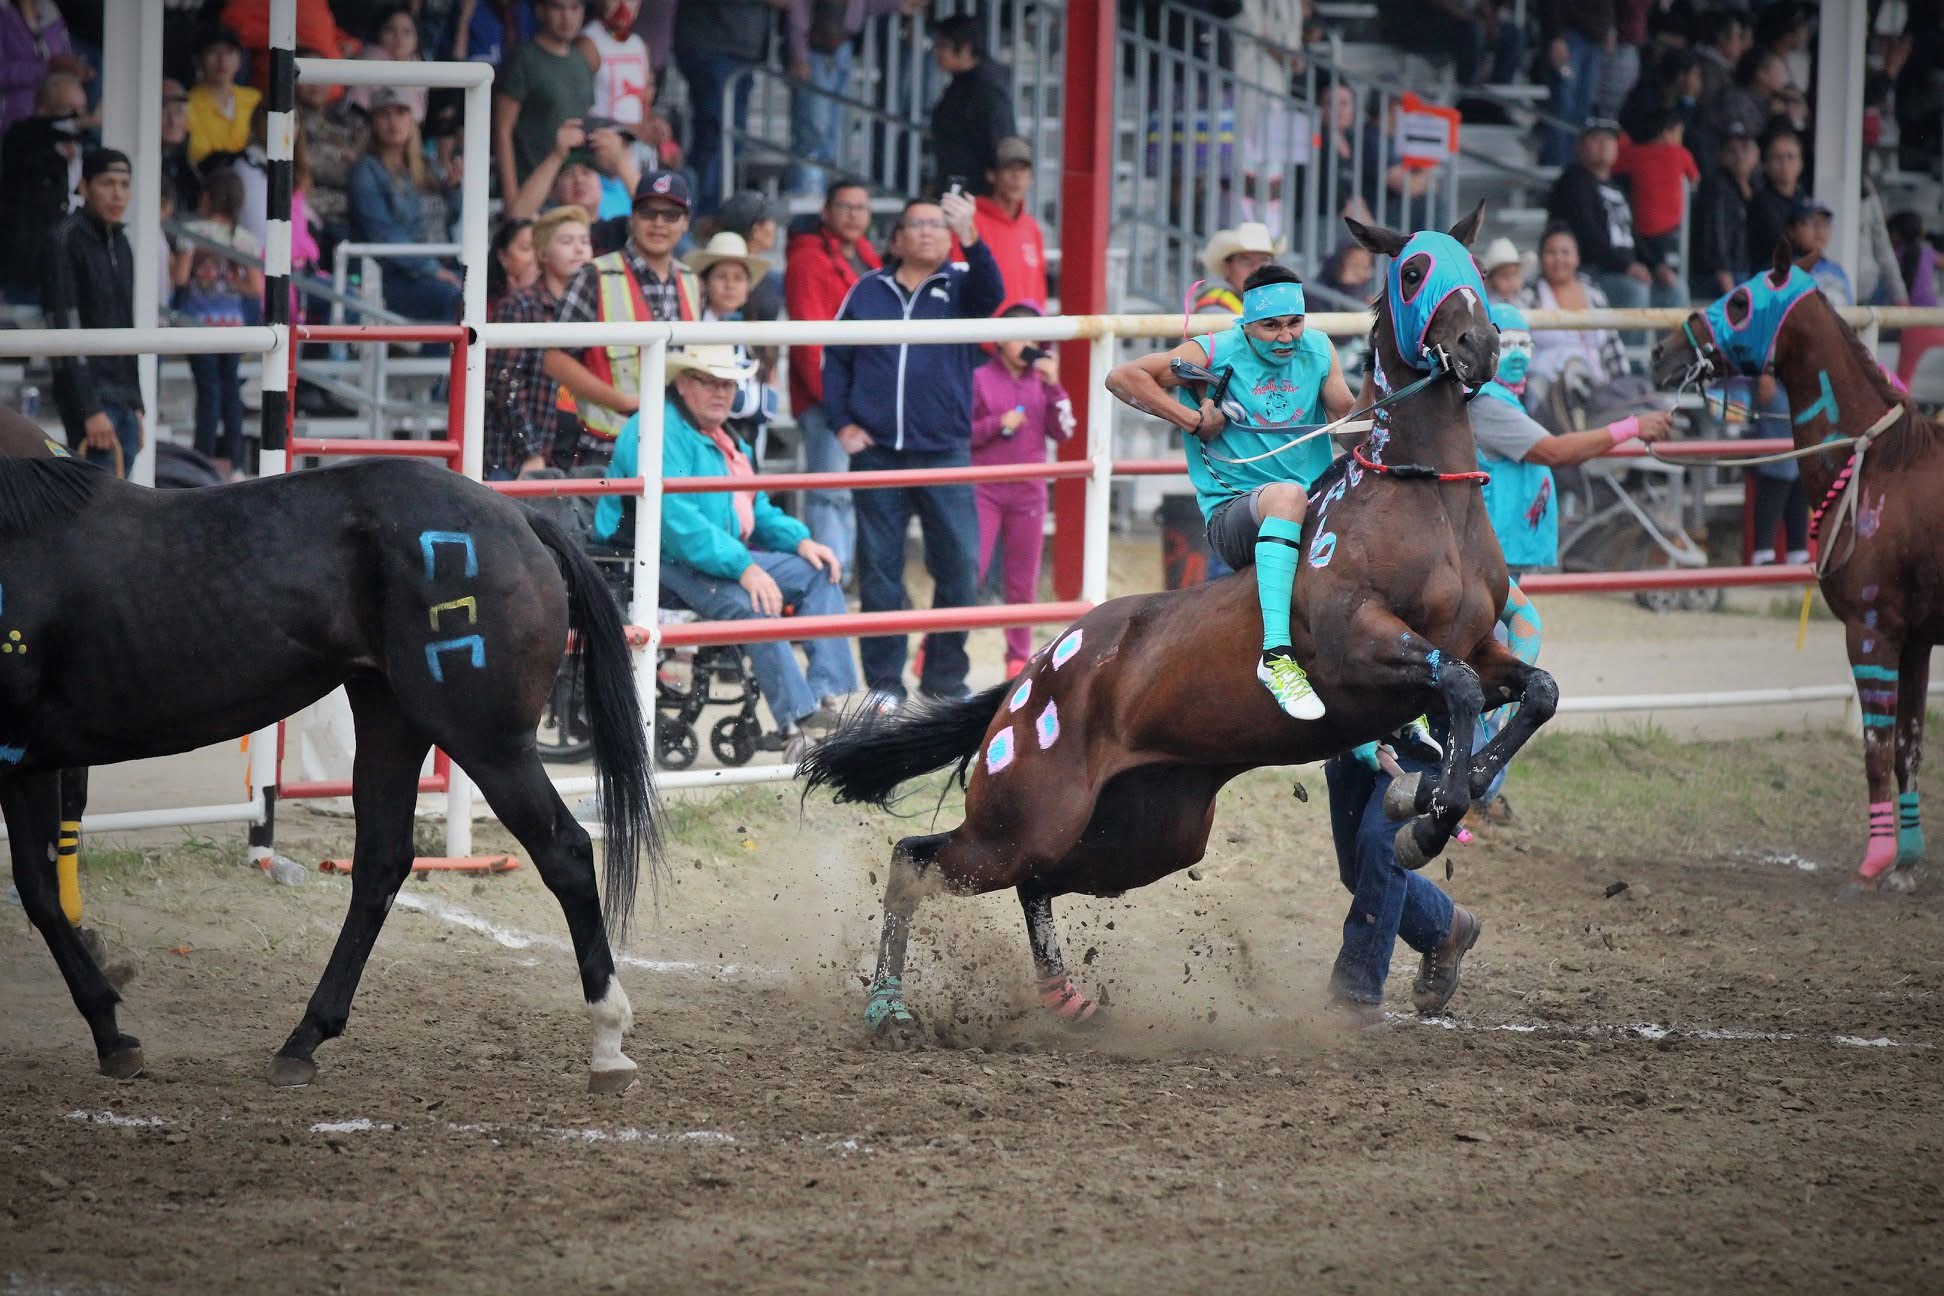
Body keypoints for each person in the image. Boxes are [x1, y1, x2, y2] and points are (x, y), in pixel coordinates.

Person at [1105, 264, 1354, 719]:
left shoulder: (1319, 349)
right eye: (1271, 326)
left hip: (1315, 506)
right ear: (1247, 323)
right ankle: (1276, 657)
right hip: (1236, 515)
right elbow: (1122, 378)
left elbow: (1350, 427)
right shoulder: (1215, 350)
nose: (1286, 337)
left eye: (1294, 323)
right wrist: (1192, 420)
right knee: (1287, 496)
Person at [592, 344, 857, 751]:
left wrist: (801, 540)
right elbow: (676, 524)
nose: (722, 393)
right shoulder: (657, 429)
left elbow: (754, 508)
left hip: (714, 555)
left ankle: (829, 699)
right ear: (683, 383)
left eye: (728, 384)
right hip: (656, 559)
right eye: (709, 382)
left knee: (819, 572)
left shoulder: (721, 435)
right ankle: (799, 720)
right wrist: (744, 568)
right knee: (752, 602)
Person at [822, 192, 1005, 707]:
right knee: (880, 572)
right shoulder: (866, 291)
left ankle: (945, 679)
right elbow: (835, 358)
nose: (927, 231)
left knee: (961, 569)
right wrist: (841, 423)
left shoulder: (962, 286)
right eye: (916, 224)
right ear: (896, 238)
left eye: (936, 224)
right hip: (876, 452)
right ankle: (884, 686)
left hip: (945, 450)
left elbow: (994, 293)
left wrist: (971, 232)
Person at [1472, 302, 1672, 574]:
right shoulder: (1487, 403)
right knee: (1521, 616)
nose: (1518, 355)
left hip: (1504, 549)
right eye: (1506, 345)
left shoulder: (1504, 399)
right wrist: (1632, 427)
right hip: (1492, 554)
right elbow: (1555, 451)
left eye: (1524, 344)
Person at [547, 168, 701, 469]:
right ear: (632, 218)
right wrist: (623, 403)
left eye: (670, 215)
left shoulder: (692, 280)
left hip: (675, 445)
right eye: (648, 212)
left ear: (685, 223)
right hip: (605, 449)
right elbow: (554, 359)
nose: (658, 223)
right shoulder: (594, 275)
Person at [1323, 738, 1480, 1026]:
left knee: (1379, 843)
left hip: (1420, 734)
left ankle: (1359, 993)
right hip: (1355, 730)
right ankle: (1446, 926)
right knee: (1359, 871)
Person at [784, 176, 881, 574]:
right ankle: (830, 575)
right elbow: (811, 342)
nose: (854, 214)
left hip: (859, 397)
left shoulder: (865, 254)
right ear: (826, 212)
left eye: (860, 207)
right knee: (830, 492)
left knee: (848, 491)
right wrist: (836, 402)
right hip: (829, 398)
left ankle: (842, 573)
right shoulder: (808, 258)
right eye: (845, 206)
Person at [971, 301, 1073, 676]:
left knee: (1022, 578)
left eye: (1033, 336)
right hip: (983, 487)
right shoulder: (979, 377)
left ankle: (1017, 658)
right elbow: (959, 435)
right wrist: (997, 424)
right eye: (1018, 335)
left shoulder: (1042, 382)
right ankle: (944, 646)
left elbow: (1063, 430)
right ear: (999, 341)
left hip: (1029, 489)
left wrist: (1055, 386)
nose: (1027, 344)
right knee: (970, 570)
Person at [44, 148, 141, 476]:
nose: (118, 194)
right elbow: (64, 328)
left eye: (125, 184)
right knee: (96, 514)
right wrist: (89, 408)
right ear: (84, 187)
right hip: (91, 402)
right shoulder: (65, 239)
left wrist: (137, 403)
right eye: (108, 183)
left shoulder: (123, 244)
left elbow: (128, 326)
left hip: (123, 400)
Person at [486, 205, 592, 479]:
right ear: (542, 254)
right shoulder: (519, 306)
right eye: (567, 242)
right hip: (515, 459)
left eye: (584, 241)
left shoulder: (597, 310)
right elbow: (504, 384)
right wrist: (530, 453)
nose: (579, 249)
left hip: (572, 455)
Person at [171, 168, 262, 479]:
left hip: (198, 324)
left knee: (207, 391)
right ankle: (235, 462)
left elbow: (180, 278)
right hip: (232, 324)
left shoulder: (192, 232)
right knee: (230, 392)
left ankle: (202, 459)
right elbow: (255, 288)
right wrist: (229, 282)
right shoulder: (245, 239)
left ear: (207, 197)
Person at [347, 88, 463, 323]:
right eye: (384, 114)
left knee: (486, 291)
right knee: (454, 297)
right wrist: (433, 269)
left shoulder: (428, 165)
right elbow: (384, 235)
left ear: (413, 118)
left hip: (440, 267)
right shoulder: (366, 171)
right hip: (393, 277)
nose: (393, 122)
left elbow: (451, 218)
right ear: (373, 122)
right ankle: (443, 361)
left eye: (401, 112)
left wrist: (454, 188)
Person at [785, 0, 919, 197]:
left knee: (831, 129)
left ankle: (821, 188)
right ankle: (807, 189)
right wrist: (799, 55)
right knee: (814, 127)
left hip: (842, 45)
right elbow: (797, 16)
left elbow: (866, 6)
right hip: (815, 48)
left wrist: (898, 4)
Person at [672, 0, 769, 216]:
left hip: (736, 48)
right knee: (716, 134)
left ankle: (702, 209)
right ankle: (703, 212)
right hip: (712, 45)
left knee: (726, 137)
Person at [1545, 118, 1651, 310]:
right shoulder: (1573, 181)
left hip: (1625, 269)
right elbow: (1588, 235)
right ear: (1580, 146)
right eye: (1597, 139)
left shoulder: (1618, 186)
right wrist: (1625, 267)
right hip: (1590, 271)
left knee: (1673, 289)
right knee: (1633, 291)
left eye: (1610, 140)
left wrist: (1657, 265)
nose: (1604, 145)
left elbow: (1632, 235)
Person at [492, 0, 593, 202]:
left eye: (574, 8)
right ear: (540, 11)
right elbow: (502, 130)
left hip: (573, 194)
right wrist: (512, 200)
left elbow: (585, 122)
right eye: (558, 7)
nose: (567, 17)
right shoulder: (523, 58)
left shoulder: (581, 61)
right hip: (531, 192)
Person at [0, 69, 85, 303]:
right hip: (28, 273)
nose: (78, 118)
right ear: (43, 111)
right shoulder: (23, 140)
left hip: (70, 274)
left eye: (82, 111)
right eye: (69, 110)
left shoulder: (85, 148)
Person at [688, 231, 777, 432]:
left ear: (747, 288)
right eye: (721, 276)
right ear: (705, 283)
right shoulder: (692, 333)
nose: (730, 285)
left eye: (738, 278)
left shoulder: (759, 338)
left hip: (749, 453)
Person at [1612, 109, 1698, 308]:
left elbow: (1616, 164)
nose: (1679, 139)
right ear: (1666, 133)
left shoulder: (1636, 155)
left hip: (1640, 231)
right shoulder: (1680, 154)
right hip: (1669, 232)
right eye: (1678, 134)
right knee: (1670, 281)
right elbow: (1694, 178)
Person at [927, 12, 1016, 196]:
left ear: (966, 49)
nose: (937, 52)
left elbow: (998, 143)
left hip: (974, 188)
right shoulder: (963, 83)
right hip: (958, 181)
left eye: (943, 46)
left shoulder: (986, 90)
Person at [971, 135, 1048, 308]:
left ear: (1030, 177)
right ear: (991, 175)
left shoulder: (1032, 228)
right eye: (1009, 169)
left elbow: (1039, 288)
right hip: (986, 332)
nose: (1017, 177)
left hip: (1027, 332)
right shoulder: (970, 223)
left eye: (1023, 170)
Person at [1688, 121, 1757, 299]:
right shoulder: (1717, 186)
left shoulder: (1754, 186)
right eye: (1732, 150)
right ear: (1721, 155)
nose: (1739, 156)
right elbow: (1715, 230)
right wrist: (1723, 270)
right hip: (1724, 275)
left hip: (1745, 270)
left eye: (1744, 149)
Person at [185, 25, 258, 169]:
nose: (222, 60)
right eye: (212, 52)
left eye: (229, 52)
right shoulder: (187, 104)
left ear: (240, 59)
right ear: (197, 59)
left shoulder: (254, 99)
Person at [0, 0, 74, 136]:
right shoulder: (4, 14)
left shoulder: (49, 10)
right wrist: (44, 69)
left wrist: (74, 68)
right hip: (15, 118)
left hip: (57, 112)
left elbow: (64, 56)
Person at [713, 189, 785, 321]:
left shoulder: (769, 277)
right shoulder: (725, 278)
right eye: (770, 220)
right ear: (756, 230)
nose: (775, 227)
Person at [577, 0, 649, 128]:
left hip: (633, 140)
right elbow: (578, 109)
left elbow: (643, 102)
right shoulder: (588, 44)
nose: (623, 5)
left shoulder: (639, 45)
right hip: (602, 139)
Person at [348, 6, 428, 121]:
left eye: (406, 31)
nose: (398, 37)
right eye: (390, 29)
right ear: (378, 33)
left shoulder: (421, 67)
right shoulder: (367, 62)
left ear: (417, 38)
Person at [1193, 221, 1285, 317]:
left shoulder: (1271, 303)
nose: (1256, 269)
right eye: (1246, 261)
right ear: (1227, 267)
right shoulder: (1214, 306)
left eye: (1264, 261)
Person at [1745, 121, 1804, 268]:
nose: (1785, 164)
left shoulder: (1804, 199)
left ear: (1800, 163)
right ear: (1766, 164)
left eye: (1791, 157)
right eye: (1778, 158)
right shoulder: (1761, 202)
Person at [486, 216, 537, 313]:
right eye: (526, 248)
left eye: (539, 247)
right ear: (503, 256)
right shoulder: (480, 303)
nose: (535, 256)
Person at [1477, 236, 1527, 304]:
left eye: (1514, 274)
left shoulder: (1526, 299)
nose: (1511, 281)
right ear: (1491, 279)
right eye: (1504, 276)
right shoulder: (1489, 303)